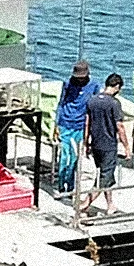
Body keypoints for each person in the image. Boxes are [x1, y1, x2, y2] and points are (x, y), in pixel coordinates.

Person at [83, 73, 129, 213]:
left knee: (106, 176)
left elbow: (87, 124)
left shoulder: (92, 100)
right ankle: (83, 206)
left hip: (95, 144)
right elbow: (120, 127)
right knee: (104, 178)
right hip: (108, 145)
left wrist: (86, 143)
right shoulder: (114, 103)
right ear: (117, 87)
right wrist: (126, 147)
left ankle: (110, 205)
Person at [53, 60, 98, 193]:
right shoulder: (68, 83)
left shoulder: (94, 85)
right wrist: (56, 123)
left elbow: (94, 107)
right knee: (64, 156)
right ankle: (61, 185)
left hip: (80, 125)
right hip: (65, 123)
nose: (79, 80)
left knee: (75, 157)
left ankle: (71, 184)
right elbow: (61, 102)